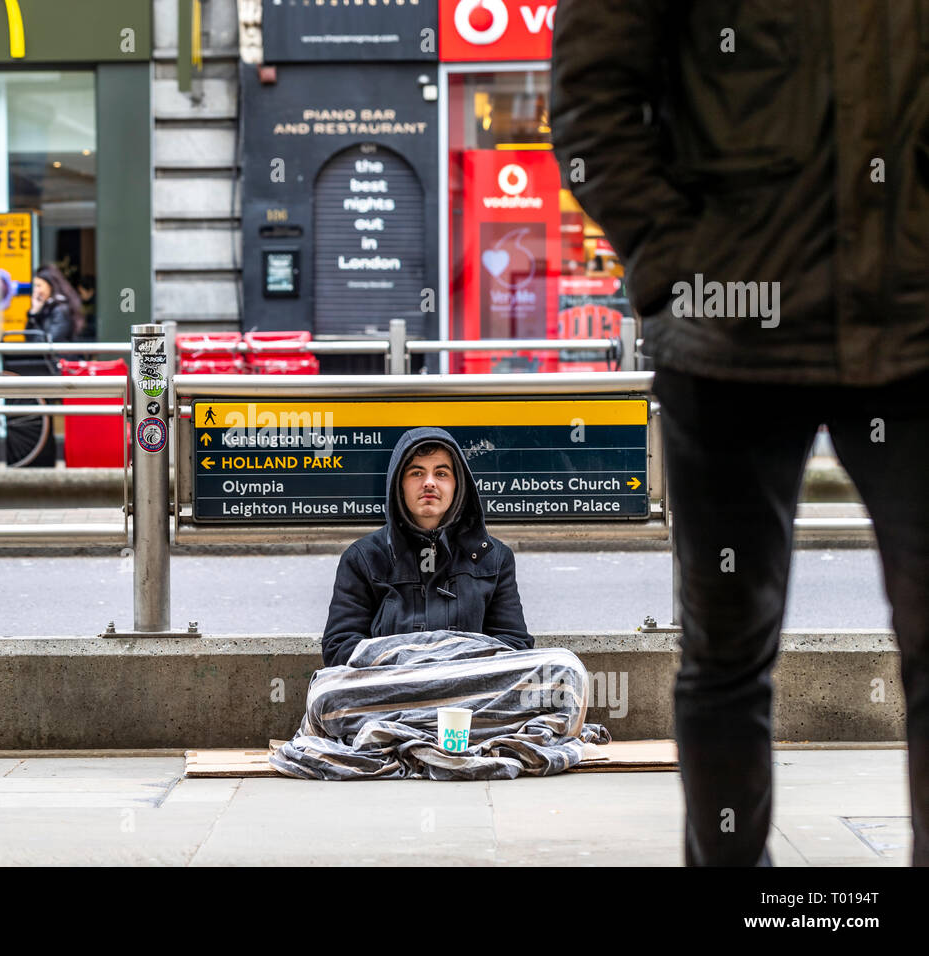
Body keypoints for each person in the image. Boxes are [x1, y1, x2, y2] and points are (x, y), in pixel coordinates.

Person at [551, 1, 929, 865]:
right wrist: (676, 270)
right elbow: (591, 101)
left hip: (915, 331)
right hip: (729, 337)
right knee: (726, 653)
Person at [322, 427, 533, 667]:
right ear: (399, 484)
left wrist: (448, 664)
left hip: (468, 697)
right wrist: (416, 664)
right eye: (416, 473)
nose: (429, 483)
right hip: (390, 695)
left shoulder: (493, 558)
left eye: (441, 473)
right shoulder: (364, 557)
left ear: (458, 485)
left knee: (564, 663)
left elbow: (515, 644)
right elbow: (339, 647)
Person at [26, 263, 84, 346]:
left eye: (39, 286)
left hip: (59, 357)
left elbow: (50, 340)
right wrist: (34, 312)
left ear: (51, 286)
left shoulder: (61, 309)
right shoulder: (45, 307)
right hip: (46, 356)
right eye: (35, 286)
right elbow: (29, 338)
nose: (36, 290)